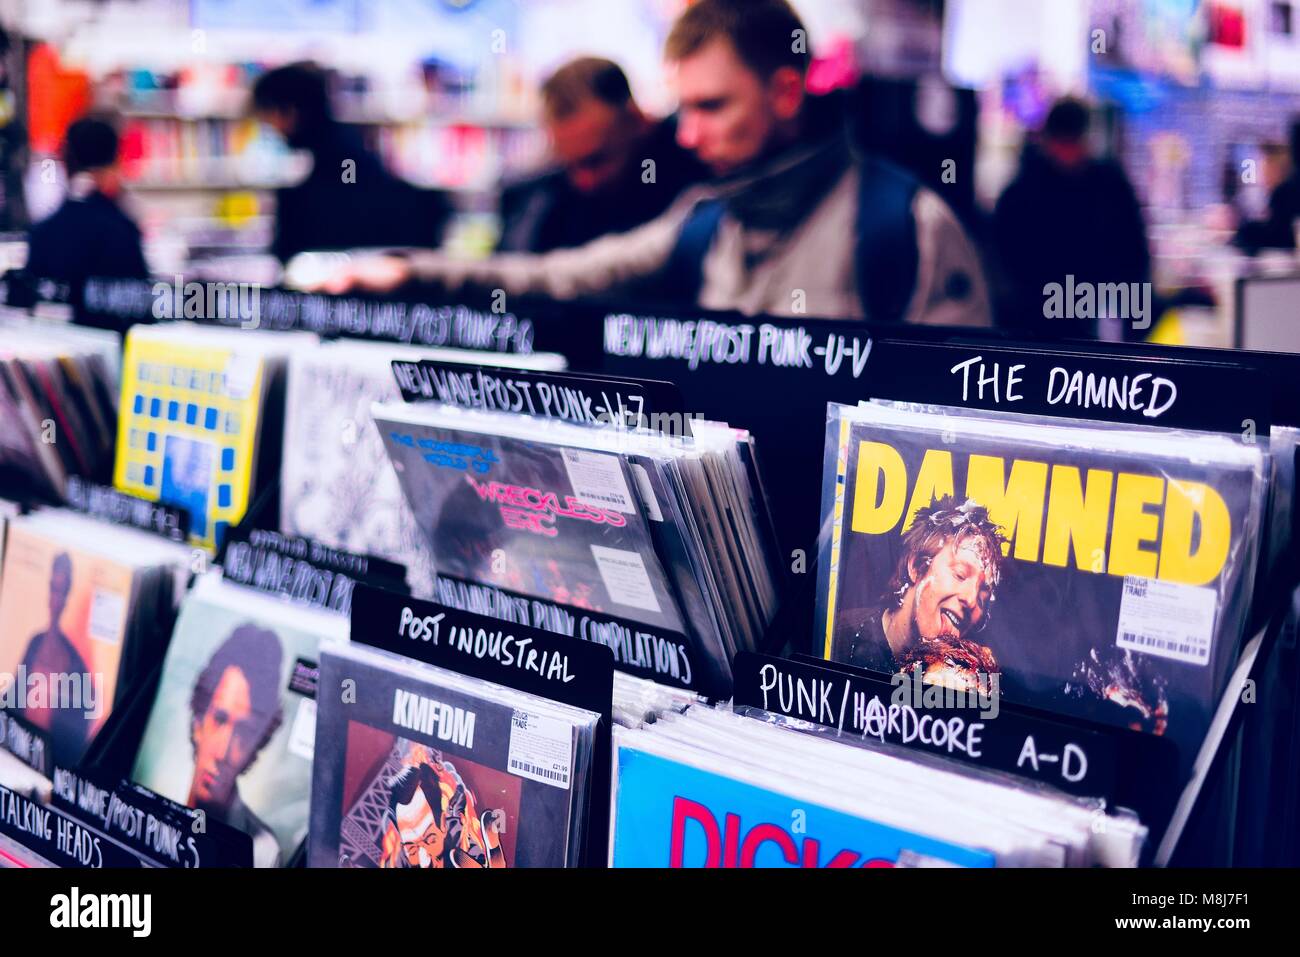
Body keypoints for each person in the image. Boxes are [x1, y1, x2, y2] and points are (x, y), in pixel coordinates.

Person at [324, 0, 989, 326]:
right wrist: (409, 273)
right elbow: (562, 275)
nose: (688, 135)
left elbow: (954, 435)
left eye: (711, 106)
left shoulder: (906, 225)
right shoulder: (704, 220)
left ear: (786, 92)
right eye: (683, 108)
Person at [497, 57, 707, 252]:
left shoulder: (695, 164)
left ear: (638, 120)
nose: (583, 181)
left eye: (596, 161)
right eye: (569, 165)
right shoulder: (548, 197)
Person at [250, 62, 448, 263]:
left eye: (268, 115)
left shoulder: (344, 158)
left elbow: (350, 193)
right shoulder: (339, 147)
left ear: (289, 110)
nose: (271, 127)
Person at [994, 97, 1151, 339]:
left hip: (1093, 312)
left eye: (1072, 143)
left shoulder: (1110, 185)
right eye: (1063, 143)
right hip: (1037, 316)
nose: (1068, 153)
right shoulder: (1023, 191)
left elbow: (1134, 253)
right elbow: (1006, 259)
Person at [836, 496, 1005, 685]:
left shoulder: (970, 680)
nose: (972, 600)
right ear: (916, 566)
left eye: (983, 596)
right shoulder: (838, 638)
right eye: (960, 574)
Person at [187, 624, 284, 868]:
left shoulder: (262, 851)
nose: (223, 752)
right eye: (219, 719)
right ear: (198, 722)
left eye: (243, 733)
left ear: (256, 747)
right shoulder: (142, 807)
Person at [24, 116, 149, 296]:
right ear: (113, 165)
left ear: (66, 164)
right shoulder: (122, 230)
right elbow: (140, 299)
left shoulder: (42, 233)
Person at [18, 552, 92, 756]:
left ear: (67, 596)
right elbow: (12, 698)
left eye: (62, 591)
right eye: (53, 588)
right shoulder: (35, 643)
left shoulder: (76, 666)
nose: (56, 600)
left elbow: (75, 738)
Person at [1234, 120, 1300, 251]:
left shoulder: (1285, 192)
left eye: (1266, 166)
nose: (1262, 173)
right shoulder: (1282, 192)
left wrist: (1244, 231)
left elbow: (1280, 237)